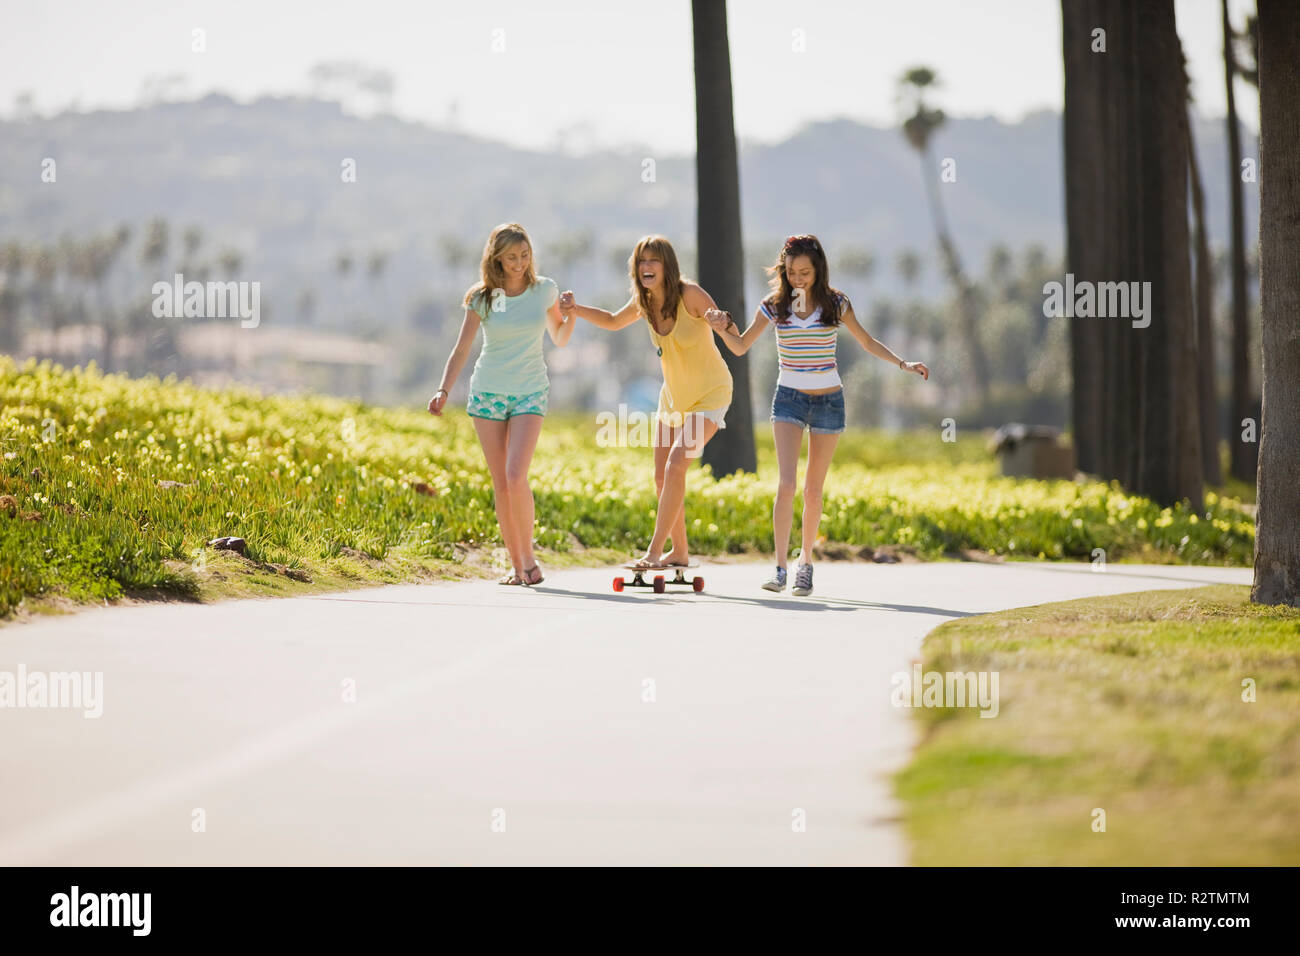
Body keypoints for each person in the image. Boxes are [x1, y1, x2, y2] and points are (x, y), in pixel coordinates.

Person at [709, 234, 929, 596]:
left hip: (828, 401)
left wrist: (903, 363)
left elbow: (867, 341)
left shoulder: (836, 304)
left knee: (813, 490)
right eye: (792, 271)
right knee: (786, 484)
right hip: (789, 400)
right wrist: (723, 328)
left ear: (819, 270)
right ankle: (779, 567)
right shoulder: (774, 306)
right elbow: (741, 346)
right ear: (783, 270)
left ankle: (805, 563)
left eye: (805, 272)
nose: (798, 279)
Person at [559, 235, 732, 570]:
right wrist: (575, 310)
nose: (646, 267)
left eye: (653, 260)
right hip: (673, 397)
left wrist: (722, 322)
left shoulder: (690, 295)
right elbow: (611, 321)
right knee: (660, 477)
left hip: (710, 393)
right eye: (641, 261)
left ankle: (654, 551)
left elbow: (722, 321)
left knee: (676, 465)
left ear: (668, 265)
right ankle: (679, 552)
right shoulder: (645, 301)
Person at [428, 222, 574, 586]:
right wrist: (444, 390)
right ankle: (517, 565)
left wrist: (572, 315)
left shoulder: (544, 291)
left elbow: (560, 337)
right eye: (511, 257)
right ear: (496, 258)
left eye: (524, 255)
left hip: (530, 392)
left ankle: (530, 558)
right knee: (501, 483)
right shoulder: (482, 297)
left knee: (516, 475)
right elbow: (462, 348)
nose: (519, 263)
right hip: (488, 393)